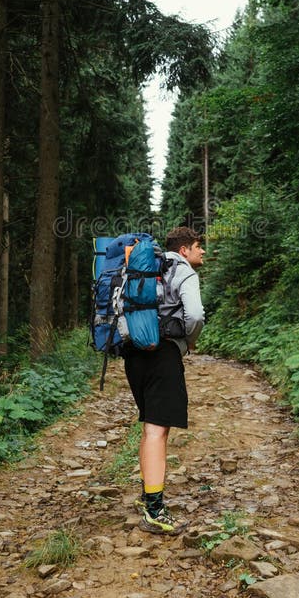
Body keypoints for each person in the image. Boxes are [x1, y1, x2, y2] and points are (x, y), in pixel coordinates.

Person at [123, 226, 205, 535]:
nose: (202, 252)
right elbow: (195, 315)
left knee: (150, 427)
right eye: (199, 246)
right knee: (157, 430)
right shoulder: (182, 271)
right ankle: (155, 511)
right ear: (184, 249)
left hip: (133, 353)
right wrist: (189, 341)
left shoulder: (142, 269)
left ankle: (148, 496)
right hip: (163, 353)